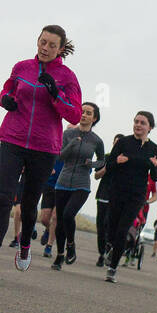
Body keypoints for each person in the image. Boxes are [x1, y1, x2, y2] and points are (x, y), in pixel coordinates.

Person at [0, 26, 82, 280]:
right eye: (42, 42)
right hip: (13, 138)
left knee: (29, 204)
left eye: (52, 45)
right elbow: (7, 90)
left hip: (44, 147)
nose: (45, 48)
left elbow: (75, 114)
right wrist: (6, 100)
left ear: (60, 49)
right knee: (4, 198)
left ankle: (25, 245)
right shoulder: (22, 67)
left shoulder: (67, 77)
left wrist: (55, 94)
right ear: (37, 41)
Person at [97, 112, 157, 283]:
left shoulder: (154, 149)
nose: (138, 125)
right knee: (112, 229)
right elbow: (108, 166)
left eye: (142, 123)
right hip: (117, 191)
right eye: (136, 122)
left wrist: (154, 166)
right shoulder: (123, 142)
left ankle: (112, 269)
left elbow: (156, 177)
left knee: (123, 231)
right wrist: (116, 161)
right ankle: (111, 247)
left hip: (136, 195)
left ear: (150, 127)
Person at [50, 103, 105, 271]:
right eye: (82, 112)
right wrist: (72, 144)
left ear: (94, 118)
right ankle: (59, 256)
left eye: (88, 113)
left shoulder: (96, 140)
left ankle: (71, 245)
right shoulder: (68, 134)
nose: (84, 115)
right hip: (63, 181)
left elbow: (102, 161)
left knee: (68, 215)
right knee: (60, 220)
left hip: (82, 184)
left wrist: (92, 163)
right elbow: (60, 156)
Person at [94, 132, 122, 265]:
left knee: (109, 225)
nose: (117, 145)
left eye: (119, 143)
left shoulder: (126, 160)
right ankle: (101, 253)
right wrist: (106, 167)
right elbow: (96, 176)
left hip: (116, 198)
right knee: (100, 227)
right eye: (115, 142)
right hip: (103, 195)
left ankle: (109, 249)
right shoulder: (106, 157)